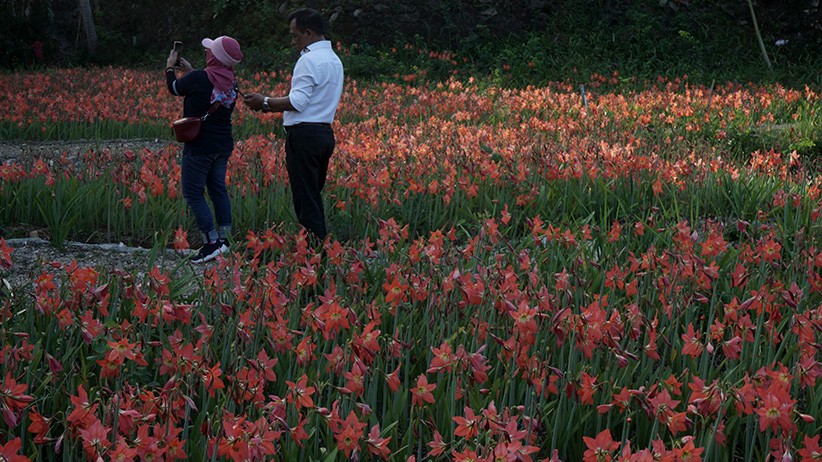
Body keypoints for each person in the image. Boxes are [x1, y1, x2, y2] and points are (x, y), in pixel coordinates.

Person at [244, 8, 344, 242]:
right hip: (324, 135)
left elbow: (298, 102)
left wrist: (264, 102)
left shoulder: (308, 60)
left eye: (295, 35)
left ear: (308, 33)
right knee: (313, 196)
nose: (293, 41)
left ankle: (314, 255)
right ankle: (318, 251)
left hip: (304, 136)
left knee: (305, 199)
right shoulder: (333, 59)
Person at [165, 36, 243, 263]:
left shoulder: (199, 79)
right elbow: (207, 84)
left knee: (192, 193)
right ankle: (224, 239)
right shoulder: (231, 81)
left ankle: (210, 243)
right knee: (218, 189)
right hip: (222, 145)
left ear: (214, 56)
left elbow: (174, 88)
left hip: (199, 145)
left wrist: (171, 66)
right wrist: (191, 70)